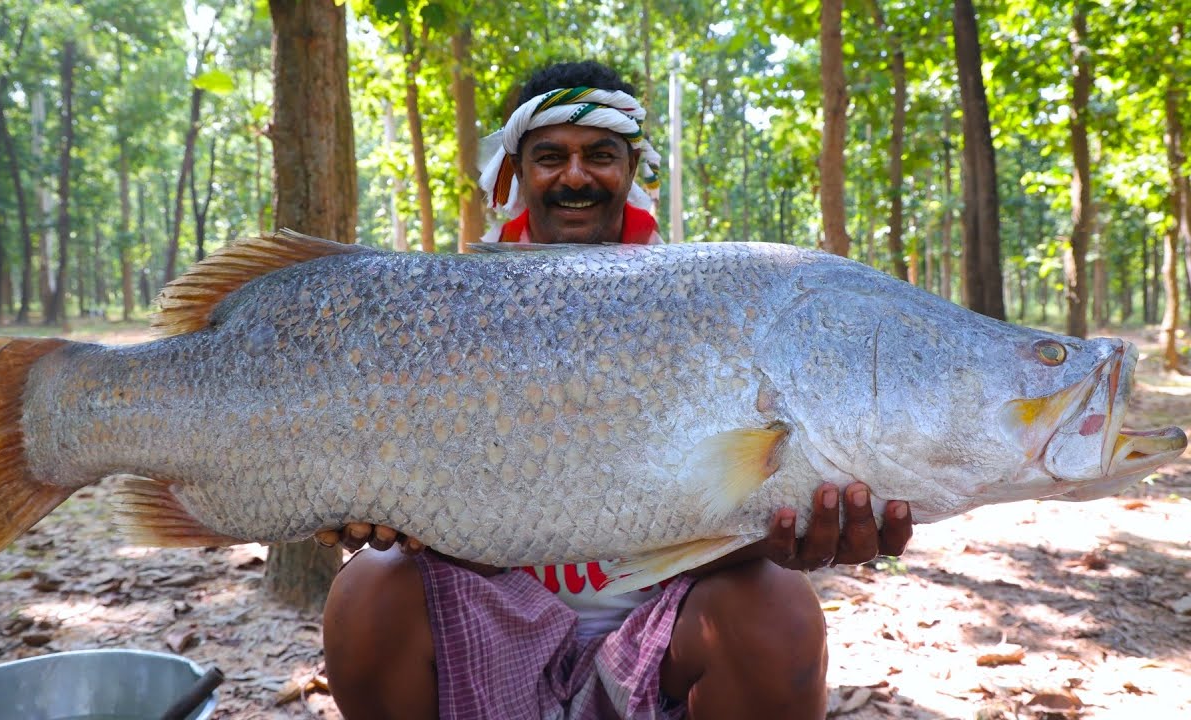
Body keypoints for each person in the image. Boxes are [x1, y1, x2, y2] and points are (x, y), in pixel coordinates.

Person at [321, 61, 914, 720]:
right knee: (368, 594)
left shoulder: (712, 311)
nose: (576, 176)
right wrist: (388, 515)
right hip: (499, 622)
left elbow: (724, 520)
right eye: (551, 156)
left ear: (633, 168)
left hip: (662, 634)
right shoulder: (450, 317)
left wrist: (795, 530)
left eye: (599, 154)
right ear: (516, 174)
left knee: (779, 612)